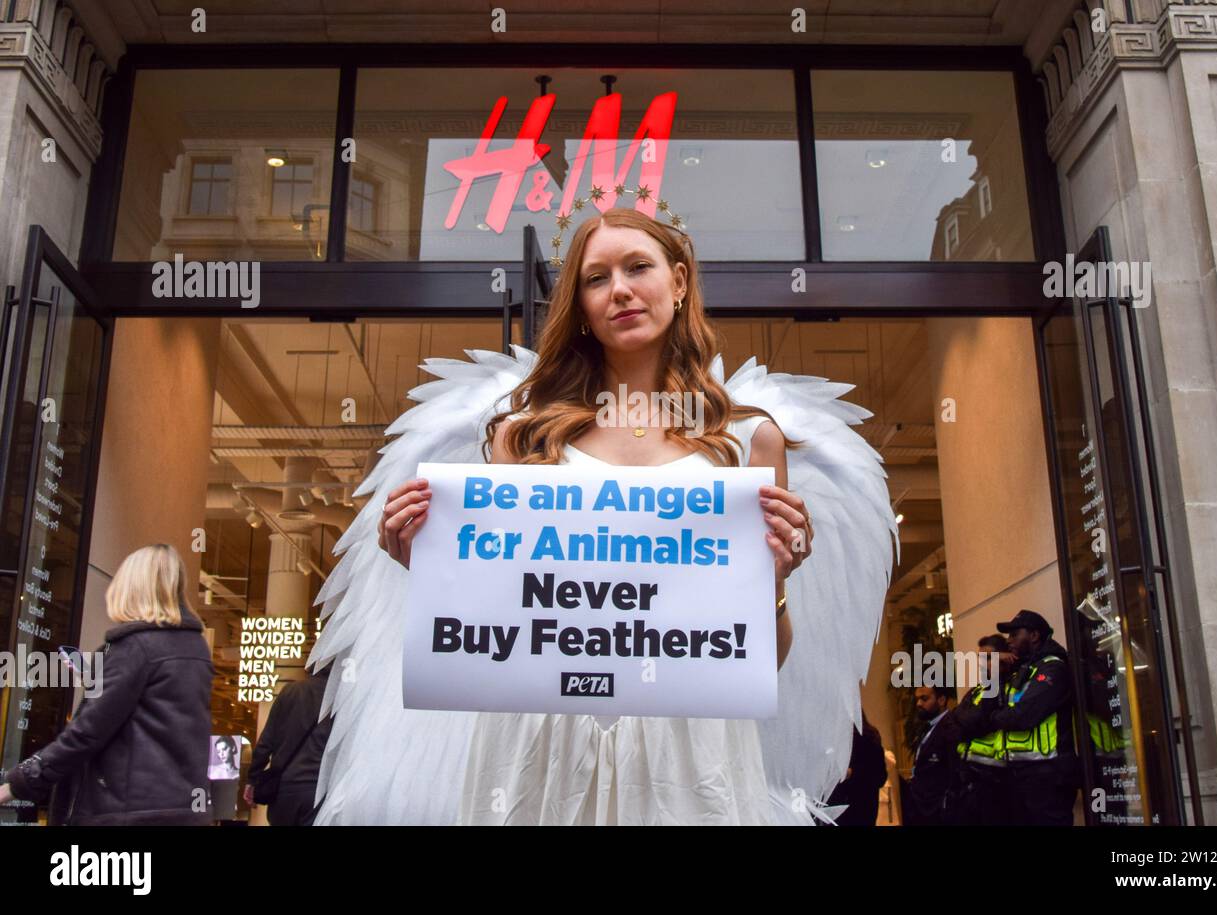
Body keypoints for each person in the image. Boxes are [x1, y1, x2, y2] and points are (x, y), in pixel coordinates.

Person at [311, 202, 898, 825]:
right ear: (581, 307)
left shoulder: (749, 441)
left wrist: (776, 580)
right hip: (541, 743)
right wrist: (426, 565)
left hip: (689, 750)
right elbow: (503, 609)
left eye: (637, 267)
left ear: (678, 281)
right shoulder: (525, 438)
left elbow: (762, 657)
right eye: (596, 278)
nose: (619, 289)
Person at [0, 544, 213, 825]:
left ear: (130, 587)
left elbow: (87, 733)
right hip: (181, 811)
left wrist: (16, 785)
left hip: (126, 814)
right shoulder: (196, 647)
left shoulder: (136, 646)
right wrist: (98, 680)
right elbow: (156, 716)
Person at [975, 610, 1079, 826]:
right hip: (1021, 776)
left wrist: (996, 718)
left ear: (1034, 635)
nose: (1009, 641)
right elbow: (986, 713)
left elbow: (1021, 717)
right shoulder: (1020, 670)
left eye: (1014, 634)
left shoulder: (1052, 667)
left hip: (1048, 776)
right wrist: (993, 668)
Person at [245, 665, 334, 826]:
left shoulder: (290, 692)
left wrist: (253, 779)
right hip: (319, 791)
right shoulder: (338, 699)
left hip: (285, 789)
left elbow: (267, 741)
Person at [949, 633, 1016, 825]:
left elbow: (981, 719)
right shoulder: (977, 690)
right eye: (981, 659)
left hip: (995, 782)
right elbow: (955, 721)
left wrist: (968, 722)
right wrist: (966, 722)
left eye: (990, 658)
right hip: (967, 779)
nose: (982, 664)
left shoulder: (1008, 687)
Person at [905, 685, 961, 825]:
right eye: (917, 699)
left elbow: (955, 773)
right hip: (921, 808)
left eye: (924, 699)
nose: (918, 704)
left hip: (937, 812)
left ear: (941, 700)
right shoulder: (926, 727)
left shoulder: (951, 728)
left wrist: (943, 805)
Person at [821, 713, 888, 826]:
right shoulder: (831, 739)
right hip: (838, 808)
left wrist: (852, 772)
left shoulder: (867, 739)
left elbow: (879, 776)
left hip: (858, 807)